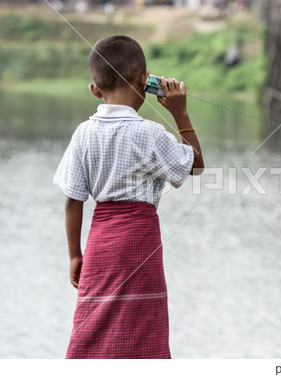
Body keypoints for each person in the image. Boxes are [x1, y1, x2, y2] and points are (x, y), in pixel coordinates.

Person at [53, 35, 204, 359]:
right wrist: (180, 113)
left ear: (95, 89)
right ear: (144, 81)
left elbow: (72, 200)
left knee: (93, 323)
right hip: (140, 242)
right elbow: (196, 165)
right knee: (142, 324)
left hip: (100, 242)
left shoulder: (84, 132)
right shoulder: (151, 133)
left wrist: (75, 255)